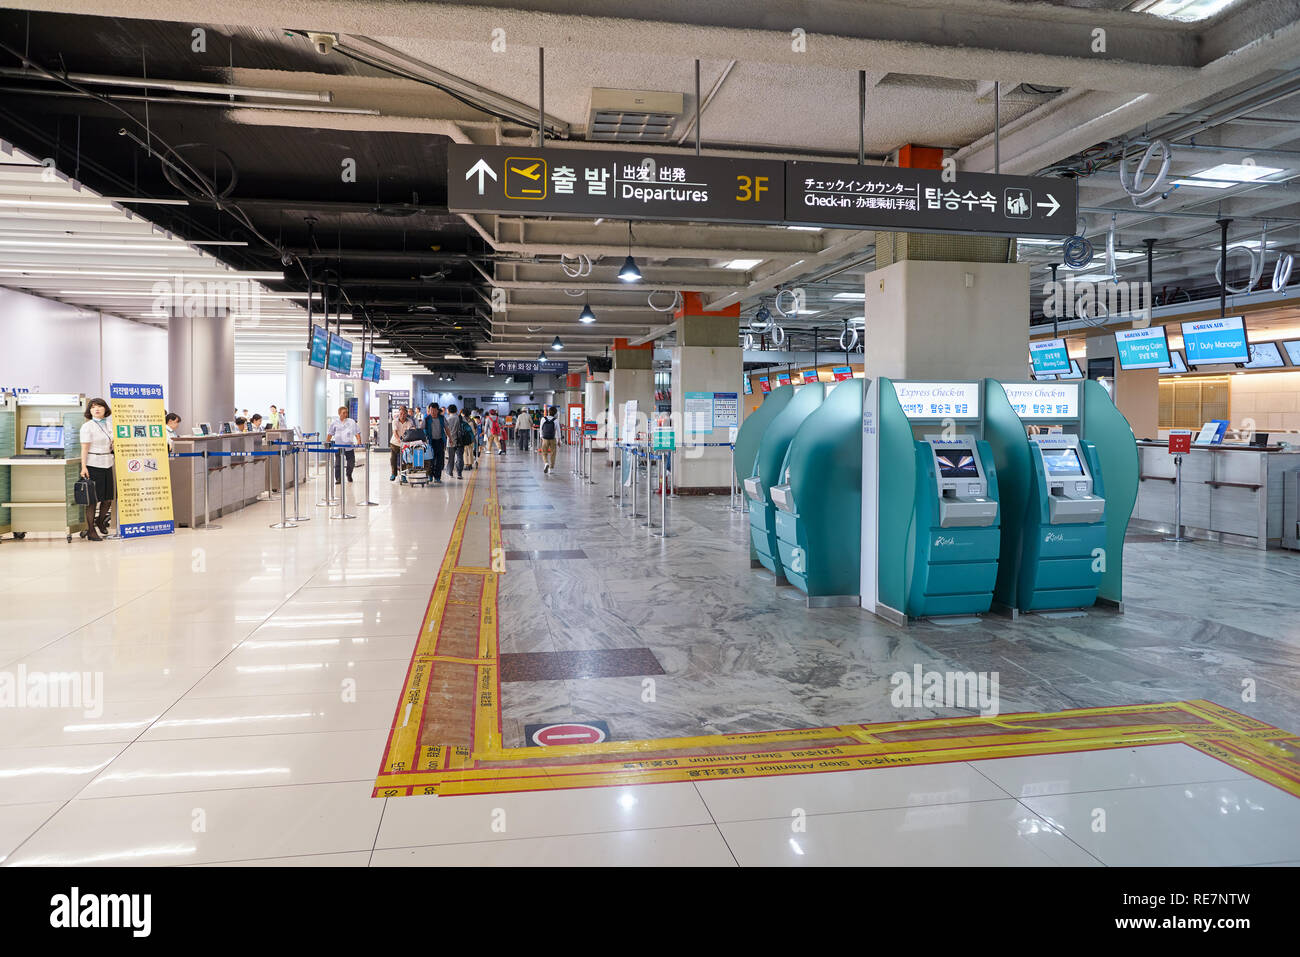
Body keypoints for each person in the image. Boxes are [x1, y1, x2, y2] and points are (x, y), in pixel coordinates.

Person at [79, 397, 115, 542]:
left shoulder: (109, 425)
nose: (97, 409)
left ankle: (100, 521)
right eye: (93, 407)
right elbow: (84, 449)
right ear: (90, 411)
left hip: (108, 463)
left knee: (108, 499)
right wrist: (83, 467)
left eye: (99, 406)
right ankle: (91, 531)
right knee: (92, 500)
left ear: (105, 409)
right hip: (93, 464)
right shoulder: (87, 426)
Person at [326, 405, 359, 483]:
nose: (345, 414)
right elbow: (330, 433)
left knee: (351, 463)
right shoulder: (334, 423)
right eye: (344, 413)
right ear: (339, 413)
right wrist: (327, 442)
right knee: (338, 464)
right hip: (338, 447)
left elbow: (357, 432)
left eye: (346, 413)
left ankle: (349, 474)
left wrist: (359, 441)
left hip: (349, 447)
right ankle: (338, 478)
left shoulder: (351, 422)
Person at [445, 404, 470, 480]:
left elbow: (445, 430)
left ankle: (450, 472)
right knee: (460, 457)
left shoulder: (447, 419)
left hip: (450, 441)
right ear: (456, 410)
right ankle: (459, 473)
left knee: (451, 458)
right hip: (460, 440)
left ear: (448, 411)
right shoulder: (461, 418)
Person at [424, 402, 447, 484]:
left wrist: (450, 438)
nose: (432, 412)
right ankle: (430, 476)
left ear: (437, 410)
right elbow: (422, 429)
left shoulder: (442, 418)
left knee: (439, 460)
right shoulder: (426, 419)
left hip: (440, 441)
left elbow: (446, 428)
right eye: (431, 410)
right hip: (430, 442)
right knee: (430, 460)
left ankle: (437, 477)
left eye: (434, 410)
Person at [390, 405, 414, 480]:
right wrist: (399, 440)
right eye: (401, 414)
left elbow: (410, 432)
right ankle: (393, 474)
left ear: (407, 414)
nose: (402, 415)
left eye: (404, 414)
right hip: (395, 443)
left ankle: (403, 475)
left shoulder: (410, 421)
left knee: (404, 460)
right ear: (399, 413)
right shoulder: (395, 421)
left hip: (405, 443)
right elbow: (395, 432)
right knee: (393, 459)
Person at [539, 405, 559, 474]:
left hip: (545, 438)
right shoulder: (555, 420)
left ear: (548, 412)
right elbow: (558, 431)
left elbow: (541, 429)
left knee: (544, 452)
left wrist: (541, 437)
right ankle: (551, 468)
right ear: (555, 413)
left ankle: (546, 463)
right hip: (553, 438)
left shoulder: (543, 419)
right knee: (553, 453)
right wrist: (559, 440)